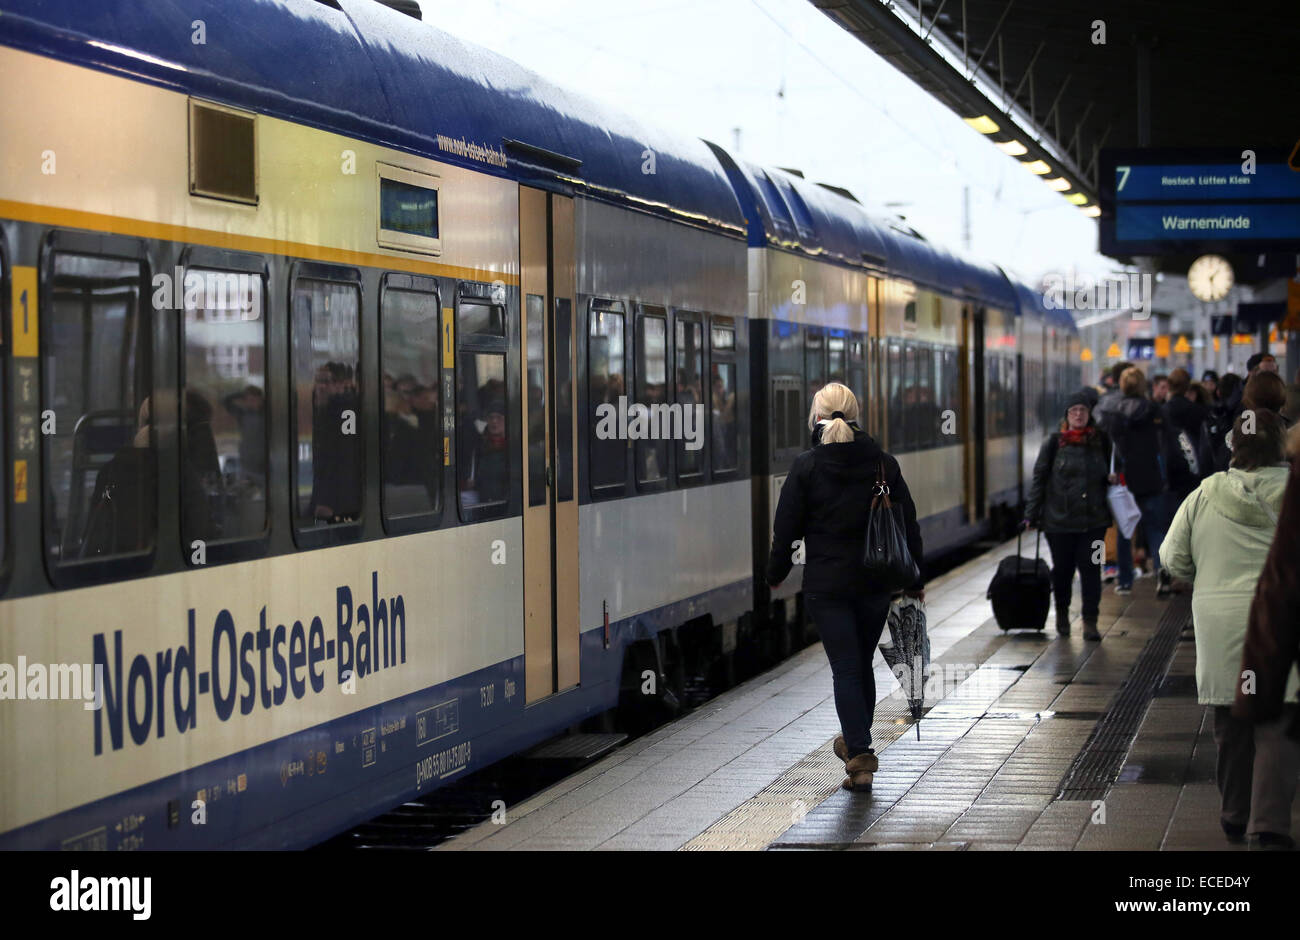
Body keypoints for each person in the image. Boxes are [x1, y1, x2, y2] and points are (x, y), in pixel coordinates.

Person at [767, 382, 923, 793]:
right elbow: (908, 524)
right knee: (860, 662)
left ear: (815, 417)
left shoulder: (806, 466)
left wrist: (775, 572)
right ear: (856, 414)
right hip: (874, 583)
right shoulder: (882, 464)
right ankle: (856, 745)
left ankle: (859, 755)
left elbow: (785, 530)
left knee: (846, 667)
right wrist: (915, 579)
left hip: (826, 585)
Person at [1162, 411, 1294, 848]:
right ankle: (1269, 825)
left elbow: (1173, 558)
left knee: (1233, 723)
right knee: (1277, 724)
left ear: (1233, 447)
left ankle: (1235, 816)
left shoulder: (1204, 495)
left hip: (1221, 626)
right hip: (1280, 622)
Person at [1024, 391, 1114, 640]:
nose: (1078, 415)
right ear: (1066, 415)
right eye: (1073, 411)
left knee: (1092, 569)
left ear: (1089, 414)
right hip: (1058, 523)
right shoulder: (1053, 443)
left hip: (1095, 523)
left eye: (1082, 411)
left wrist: (1115, 477)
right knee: (1062, 571)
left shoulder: (1102, 441)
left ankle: (1090, 621)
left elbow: (1118, 467)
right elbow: (1039, 479)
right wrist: (1030, 514)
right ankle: (1062, 614)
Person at [1100, 366, 1175, 597]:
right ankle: (1162, 572)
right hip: (1152, 478)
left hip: (1124, 480)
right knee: (1155, 529)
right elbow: (1167, 443)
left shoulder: (1114, 413)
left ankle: (1124, 581)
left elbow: (1108, 448)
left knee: (1125, 530)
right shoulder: (1155, 410)